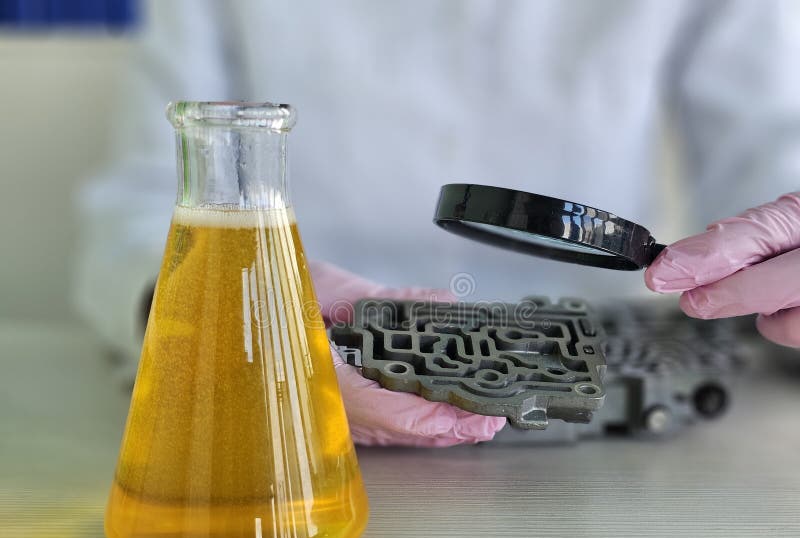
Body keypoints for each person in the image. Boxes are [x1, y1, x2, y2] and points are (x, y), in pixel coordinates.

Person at [74, 0, 800, 447]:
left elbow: (772, 168)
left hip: (630, 411)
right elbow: (138, 210)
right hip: (286, 410)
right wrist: (214, 316)